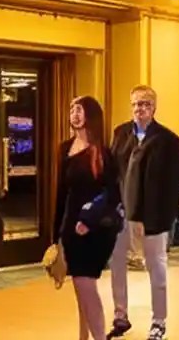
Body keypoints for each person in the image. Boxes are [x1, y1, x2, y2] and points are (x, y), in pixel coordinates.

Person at [108, 85, 179, 340]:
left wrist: (162, 219)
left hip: (153, 217)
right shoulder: (120, 134)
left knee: (157, 267)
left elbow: (173, 184)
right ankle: (121, 316)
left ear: (154, 107)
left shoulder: (168, 140)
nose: (139, 109)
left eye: (144, 104)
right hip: (120, 214)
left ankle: (159, 321)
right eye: (135, 104)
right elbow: (112, 174)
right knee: (117, 263)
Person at [54, 96, 123, 340]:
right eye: (72, 109)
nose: (74, 114)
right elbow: (62, 195)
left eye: (79, 110)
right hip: (71, 229)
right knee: (80, 290)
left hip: (94, 231)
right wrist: (57, 236)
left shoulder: (102, 153)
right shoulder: (65, 148)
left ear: (91, 115)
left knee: (86, 287)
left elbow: (113, 195)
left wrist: (89, 222)